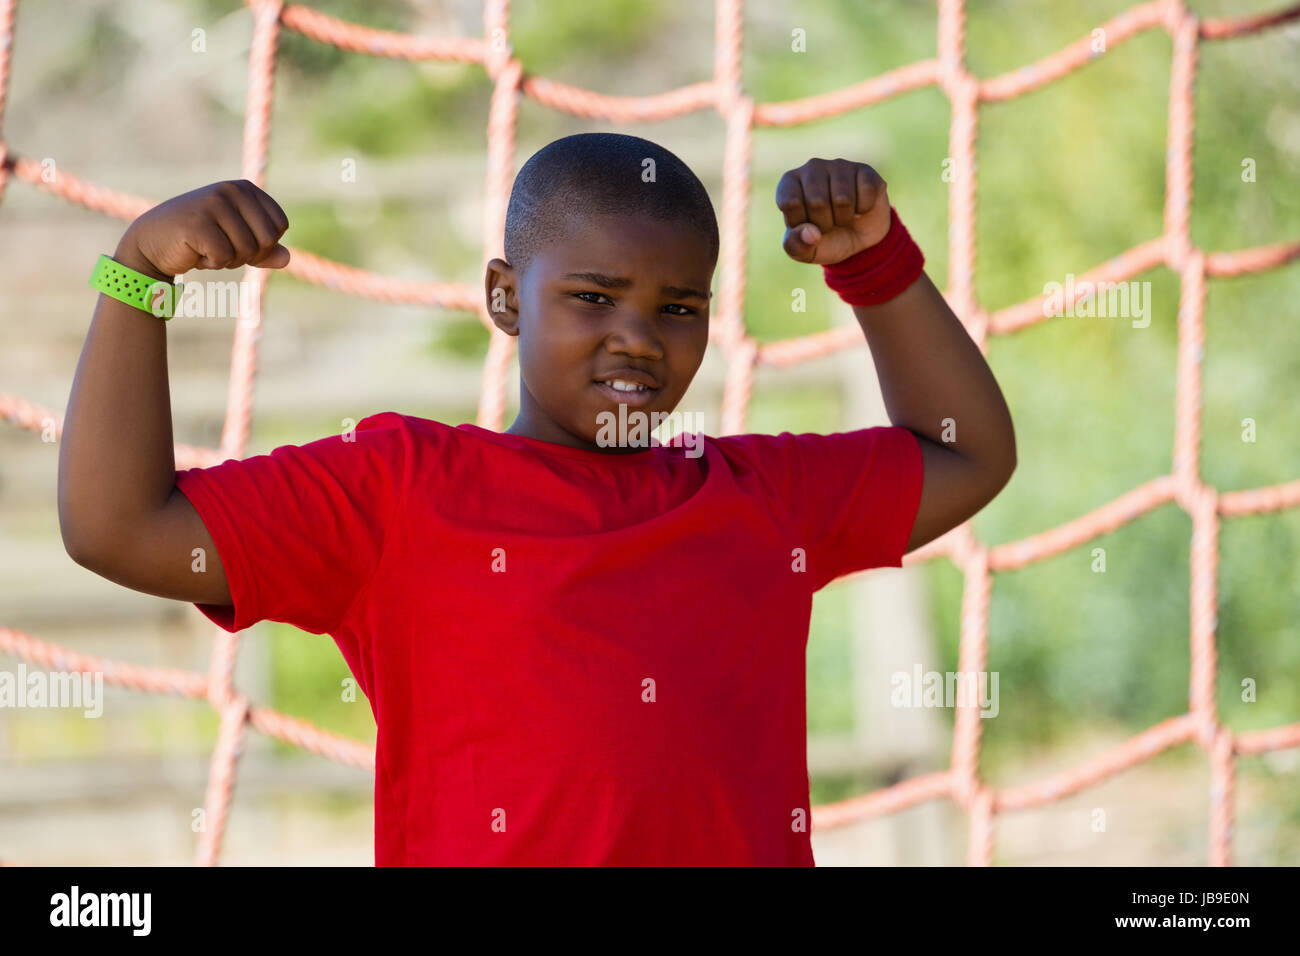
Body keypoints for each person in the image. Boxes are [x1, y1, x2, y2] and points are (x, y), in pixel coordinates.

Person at [58, 132, 1016, 865]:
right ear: (506, 296)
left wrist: (876, 266)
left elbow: (969, 456)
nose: (639, 336)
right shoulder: (401, 489)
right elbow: (118, 528)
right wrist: (138, 273)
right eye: (595, 297)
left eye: (678, 308)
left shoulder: (763, 499)